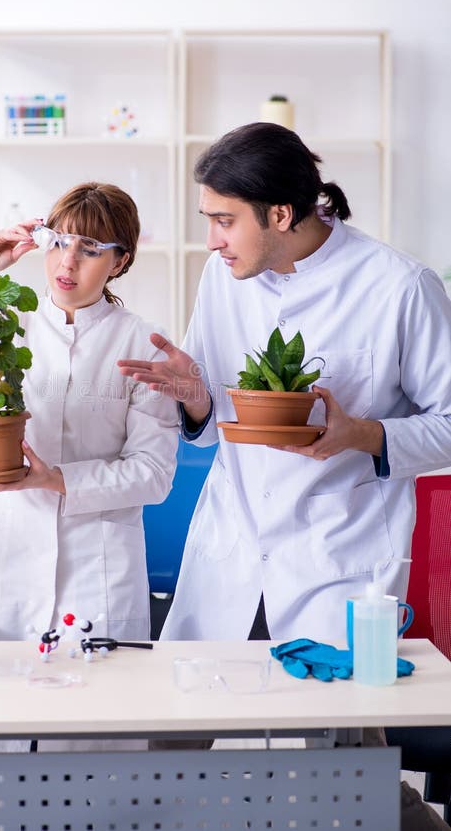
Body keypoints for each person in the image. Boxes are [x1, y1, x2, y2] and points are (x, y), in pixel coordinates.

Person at [118, 122, 451, 644]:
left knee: (343, 722)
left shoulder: (400, 287)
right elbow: (211, 427)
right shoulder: (223, 277)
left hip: (338, 563)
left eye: (225, 221)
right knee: (188, 712)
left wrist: (362, 435)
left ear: (279, 213)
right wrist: (197, 399)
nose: (212, 241)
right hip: (231, 554)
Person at [0, 182, 179, 643]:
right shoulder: (3, 325)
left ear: (119, 261)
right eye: (59, 240)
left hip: (98, 581)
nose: (68, 261)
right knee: (10, 712)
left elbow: (153, 475)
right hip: (7, 573)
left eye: (90, 248)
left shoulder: (144, 344)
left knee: (102, 711)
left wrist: (54, 479)